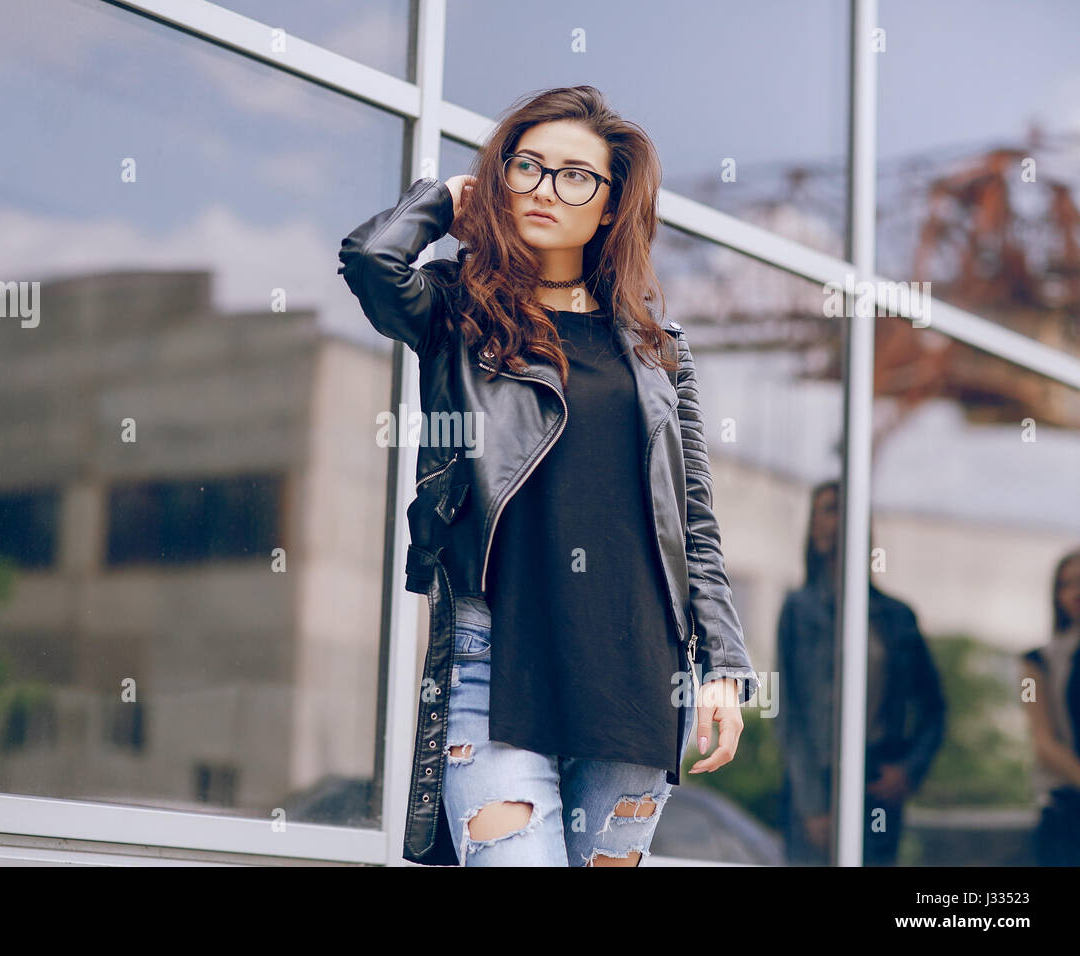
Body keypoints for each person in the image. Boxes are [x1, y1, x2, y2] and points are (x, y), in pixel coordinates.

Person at [338, 86, 760, 866]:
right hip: (491, 659)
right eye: (526, 167)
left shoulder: (658, 352)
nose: (543, 188)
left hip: (635, 671)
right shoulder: (456, 315)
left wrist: (724, 668)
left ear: (609, 207)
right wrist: (441, 201)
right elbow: (369, 261)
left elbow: (693, 522)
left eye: (575, 176)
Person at [775, 479, 945, 865]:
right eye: (830, 509)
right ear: (814, 528)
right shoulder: (798, 612)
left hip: (877, 783)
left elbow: (934, 708)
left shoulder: (897, 617)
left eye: (849, 510)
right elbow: (786, 713)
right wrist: (813, 804)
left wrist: (908, 771)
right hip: (814, 784)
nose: (840, 520)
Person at [1020, 548, 1080, 866]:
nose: (1076, 592)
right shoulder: (1037, 663)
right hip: (1066, 809)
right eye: (1067, 584)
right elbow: (1042, 742)